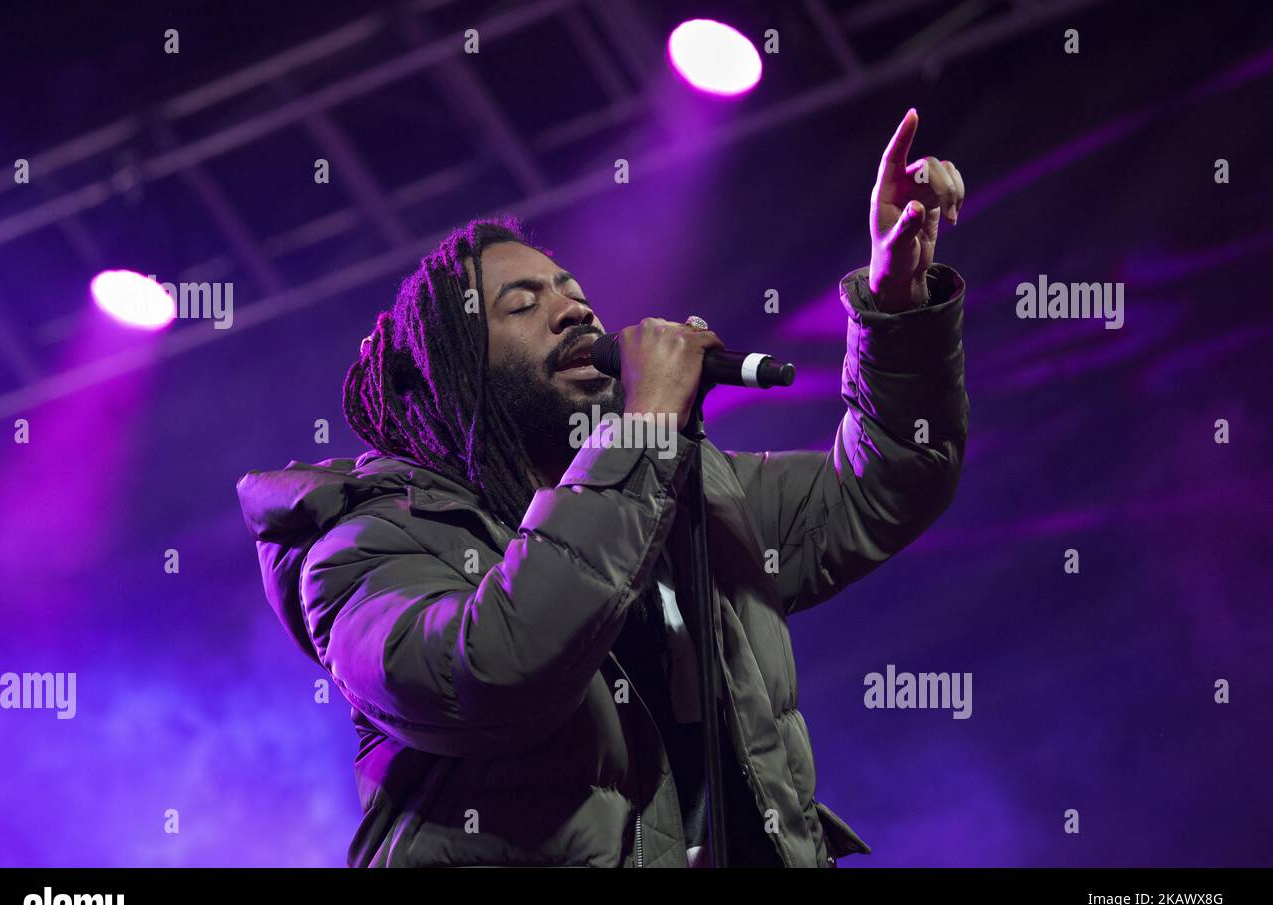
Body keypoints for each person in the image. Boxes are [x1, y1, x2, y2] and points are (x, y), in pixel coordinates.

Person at [236, 108, 968, 867]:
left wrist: (897, 307)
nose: (574, 310)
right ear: (456, 375)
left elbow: (886, 478)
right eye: (522, 304)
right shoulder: (360, 549)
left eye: (573, 292)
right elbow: (496, 669)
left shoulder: (682, 488)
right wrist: (646, 427)